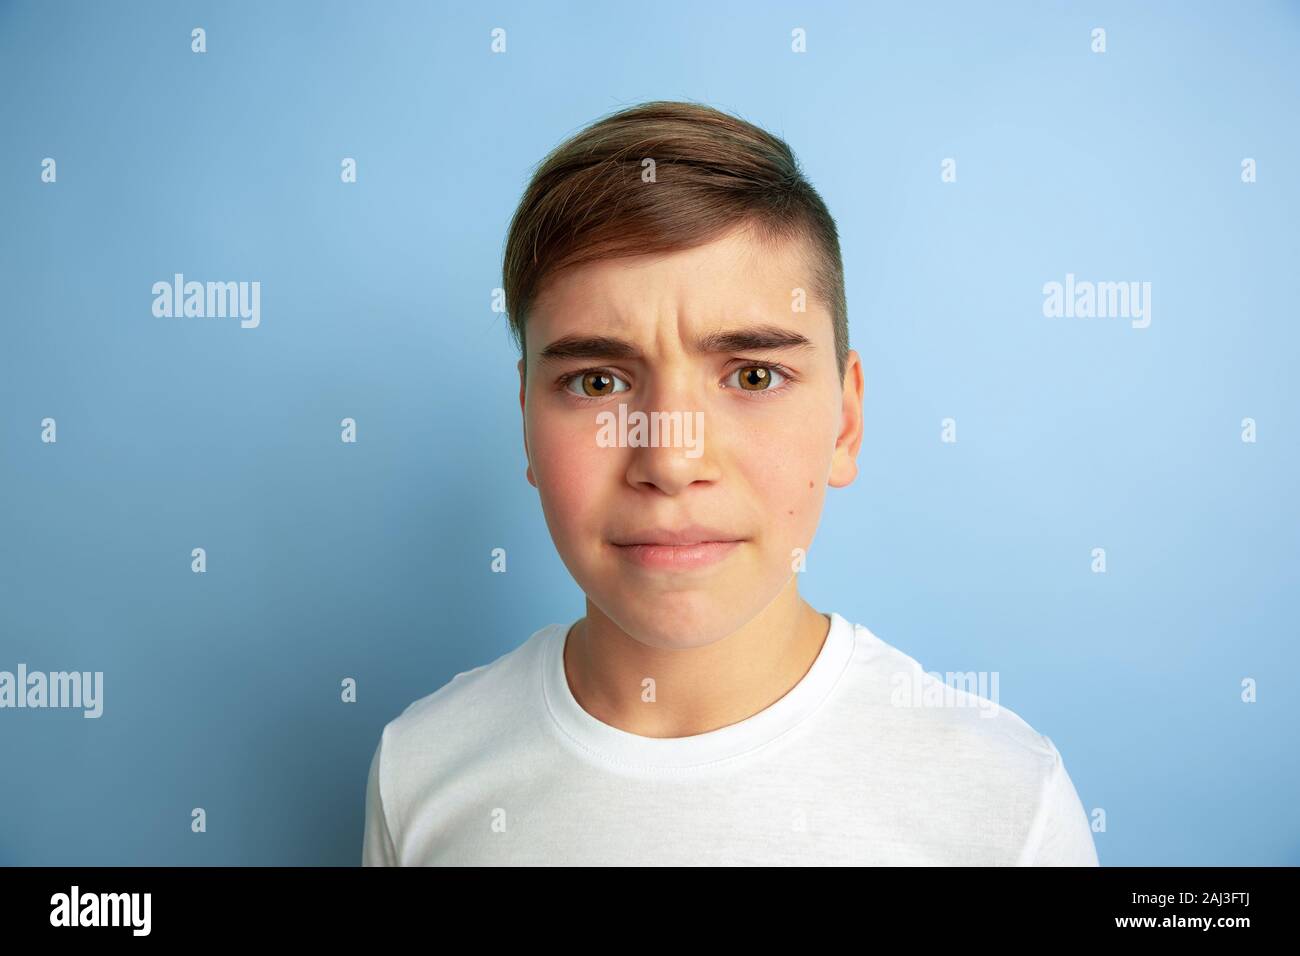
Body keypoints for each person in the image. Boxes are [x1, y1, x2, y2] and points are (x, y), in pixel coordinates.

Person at [362, 100, 1099, 866]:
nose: (672, 460)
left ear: (844, 423)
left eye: (753, 375)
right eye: (596, 382)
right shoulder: (421, 770)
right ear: (525, 421)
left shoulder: (1004, 803)